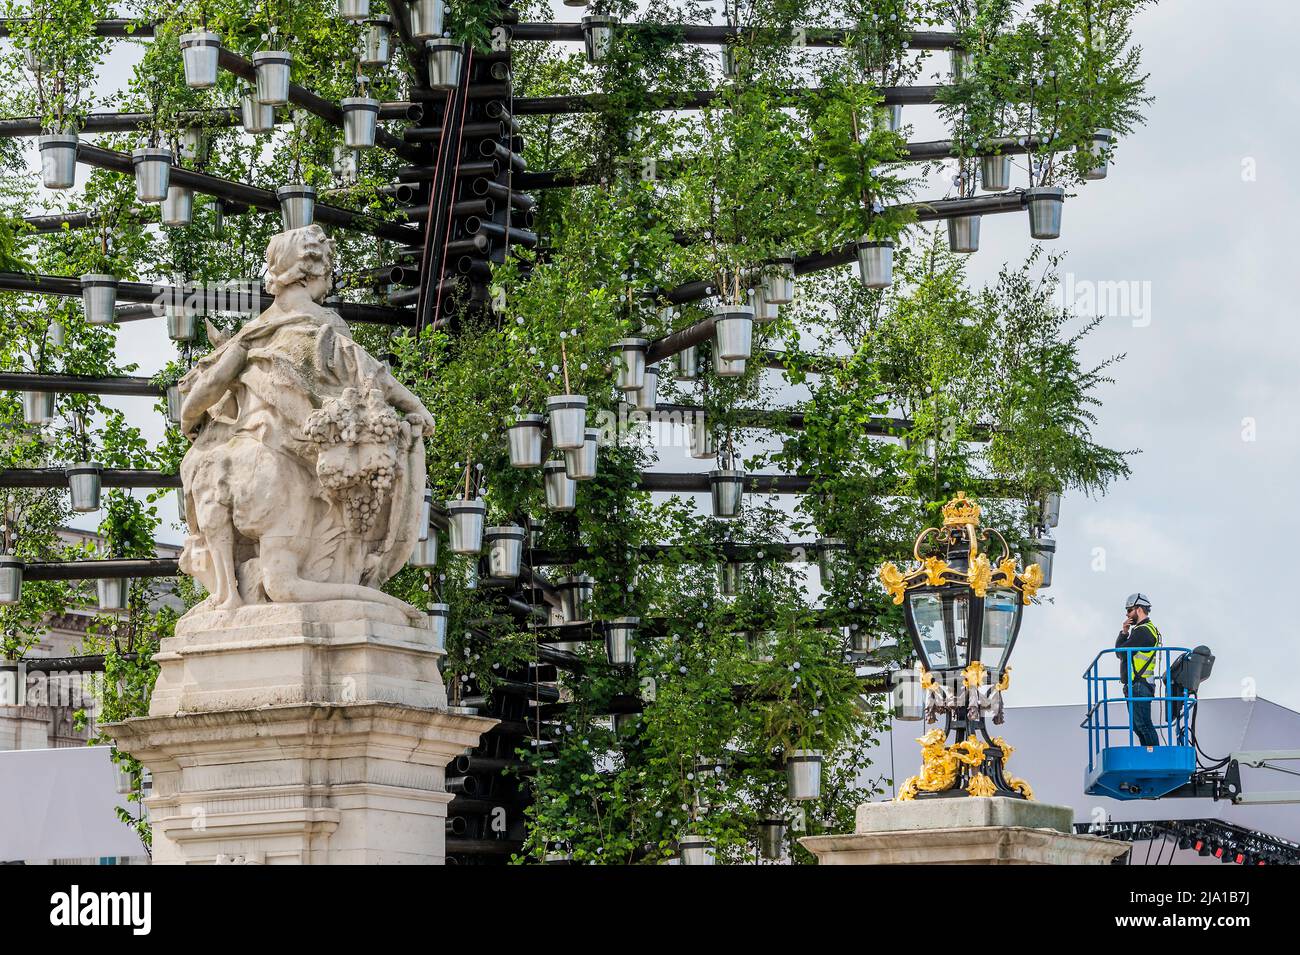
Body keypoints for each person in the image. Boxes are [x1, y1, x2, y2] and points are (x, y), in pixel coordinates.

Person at [1115, 593, 1162, 748]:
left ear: (1139, 609)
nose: (1127, 614)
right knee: (1138, 726)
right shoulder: (1141, 630)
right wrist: (1124, 632)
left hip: (1140, 685)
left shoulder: (1144, 631)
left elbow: (1121, 652)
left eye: (1129, 610)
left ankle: (1154, 756)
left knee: (1143, 724)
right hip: (1135, 685)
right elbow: (1120, 653)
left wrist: (1125, 635)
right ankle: (1147, 754)